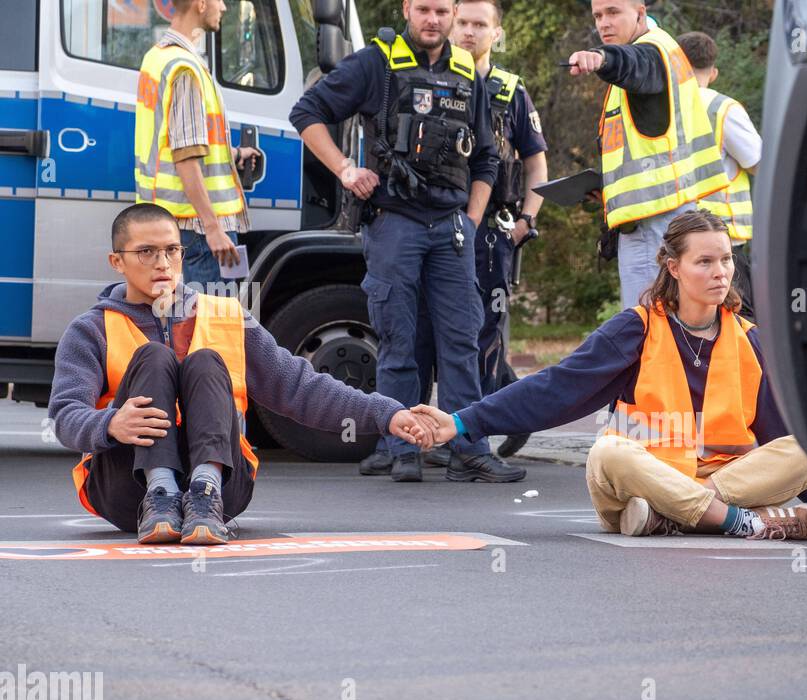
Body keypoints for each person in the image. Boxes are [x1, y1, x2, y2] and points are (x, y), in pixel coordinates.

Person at [410, 211, 807, 540]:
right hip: (638, 481)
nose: (721, 272)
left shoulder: (751, 341)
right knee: (609, 453)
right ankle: (739, 521)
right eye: (705, 262)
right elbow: (557, 388)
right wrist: (464, 421)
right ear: (673, 267)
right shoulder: (637, 329)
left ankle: (676, 515)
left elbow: (779, 435)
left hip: (718, 481)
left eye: (727, 259)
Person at [48, 204, 431, 545]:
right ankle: (160, 493)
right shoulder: (90, 329)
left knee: (205, 360)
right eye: (146, 252)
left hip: (222, 493)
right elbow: (65, 415)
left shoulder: (225, 315)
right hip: (125, 488)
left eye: (171, 250)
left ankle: (204, 488)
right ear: (117, 261)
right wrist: (111, 423)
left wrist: (387, 413)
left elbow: (299, 387)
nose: (162, 263)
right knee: (154, 357)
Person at [289, 0, 524, 484]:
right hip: (394, 221)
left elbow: (485, 159)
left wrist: (472, 220)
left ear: (453, 13)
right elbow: (307, 112)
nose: (432, 20)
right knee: (398, 340)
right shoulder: (378, 62)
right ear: (407, 10)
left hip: (451, 226)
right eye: (423, 10)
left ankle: (468, 450)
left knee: (461, 339)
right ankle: (402, 448)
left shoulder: (466, 72)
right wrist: (345, 169)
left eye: (442, 11)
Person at [410, 0, 549, 466]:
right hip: (438, 224)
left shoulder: (510, 91)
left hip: (491, 232)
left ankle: (478, 433)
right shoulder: (431, 79)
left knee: (483, 333)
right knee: (430, 332)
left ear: (497, 33)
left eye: (479, 25)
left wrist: (527, 220)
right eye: (463, 23)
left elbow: (535, 162)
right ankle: (440, 432)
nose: (469, 32)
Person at [567, 1, 730, 311]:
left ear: (639, 12)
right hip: (668, 213)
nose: (604, 23)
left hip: (653, 225)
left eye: (613, 12)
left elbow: (630, 63)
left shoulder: (650, 52)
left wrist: (601, 58)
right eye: (598, 16)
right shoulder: (666, 51)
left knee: (648, 323)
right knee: (671, 320)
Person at [134, 0, 262, 292]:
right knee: (207, 328)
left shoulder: (156, 58)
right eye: (220, 0)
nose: (225, 8)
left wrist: (233, 155)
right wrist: (214, 228)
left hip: (167, 218)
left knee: (179, 321)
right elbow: (185, 158)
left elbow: (171, 140)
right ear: (201, 4)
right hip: (198, 229)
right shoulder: (185, 69)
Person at [677, 32, 759, 320]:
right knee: (739, 320)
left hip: (677, 236)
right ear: (713, 72)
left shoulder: (661, 107)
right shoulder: (722, 108)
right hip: (724, 240)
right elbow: (758, 162)